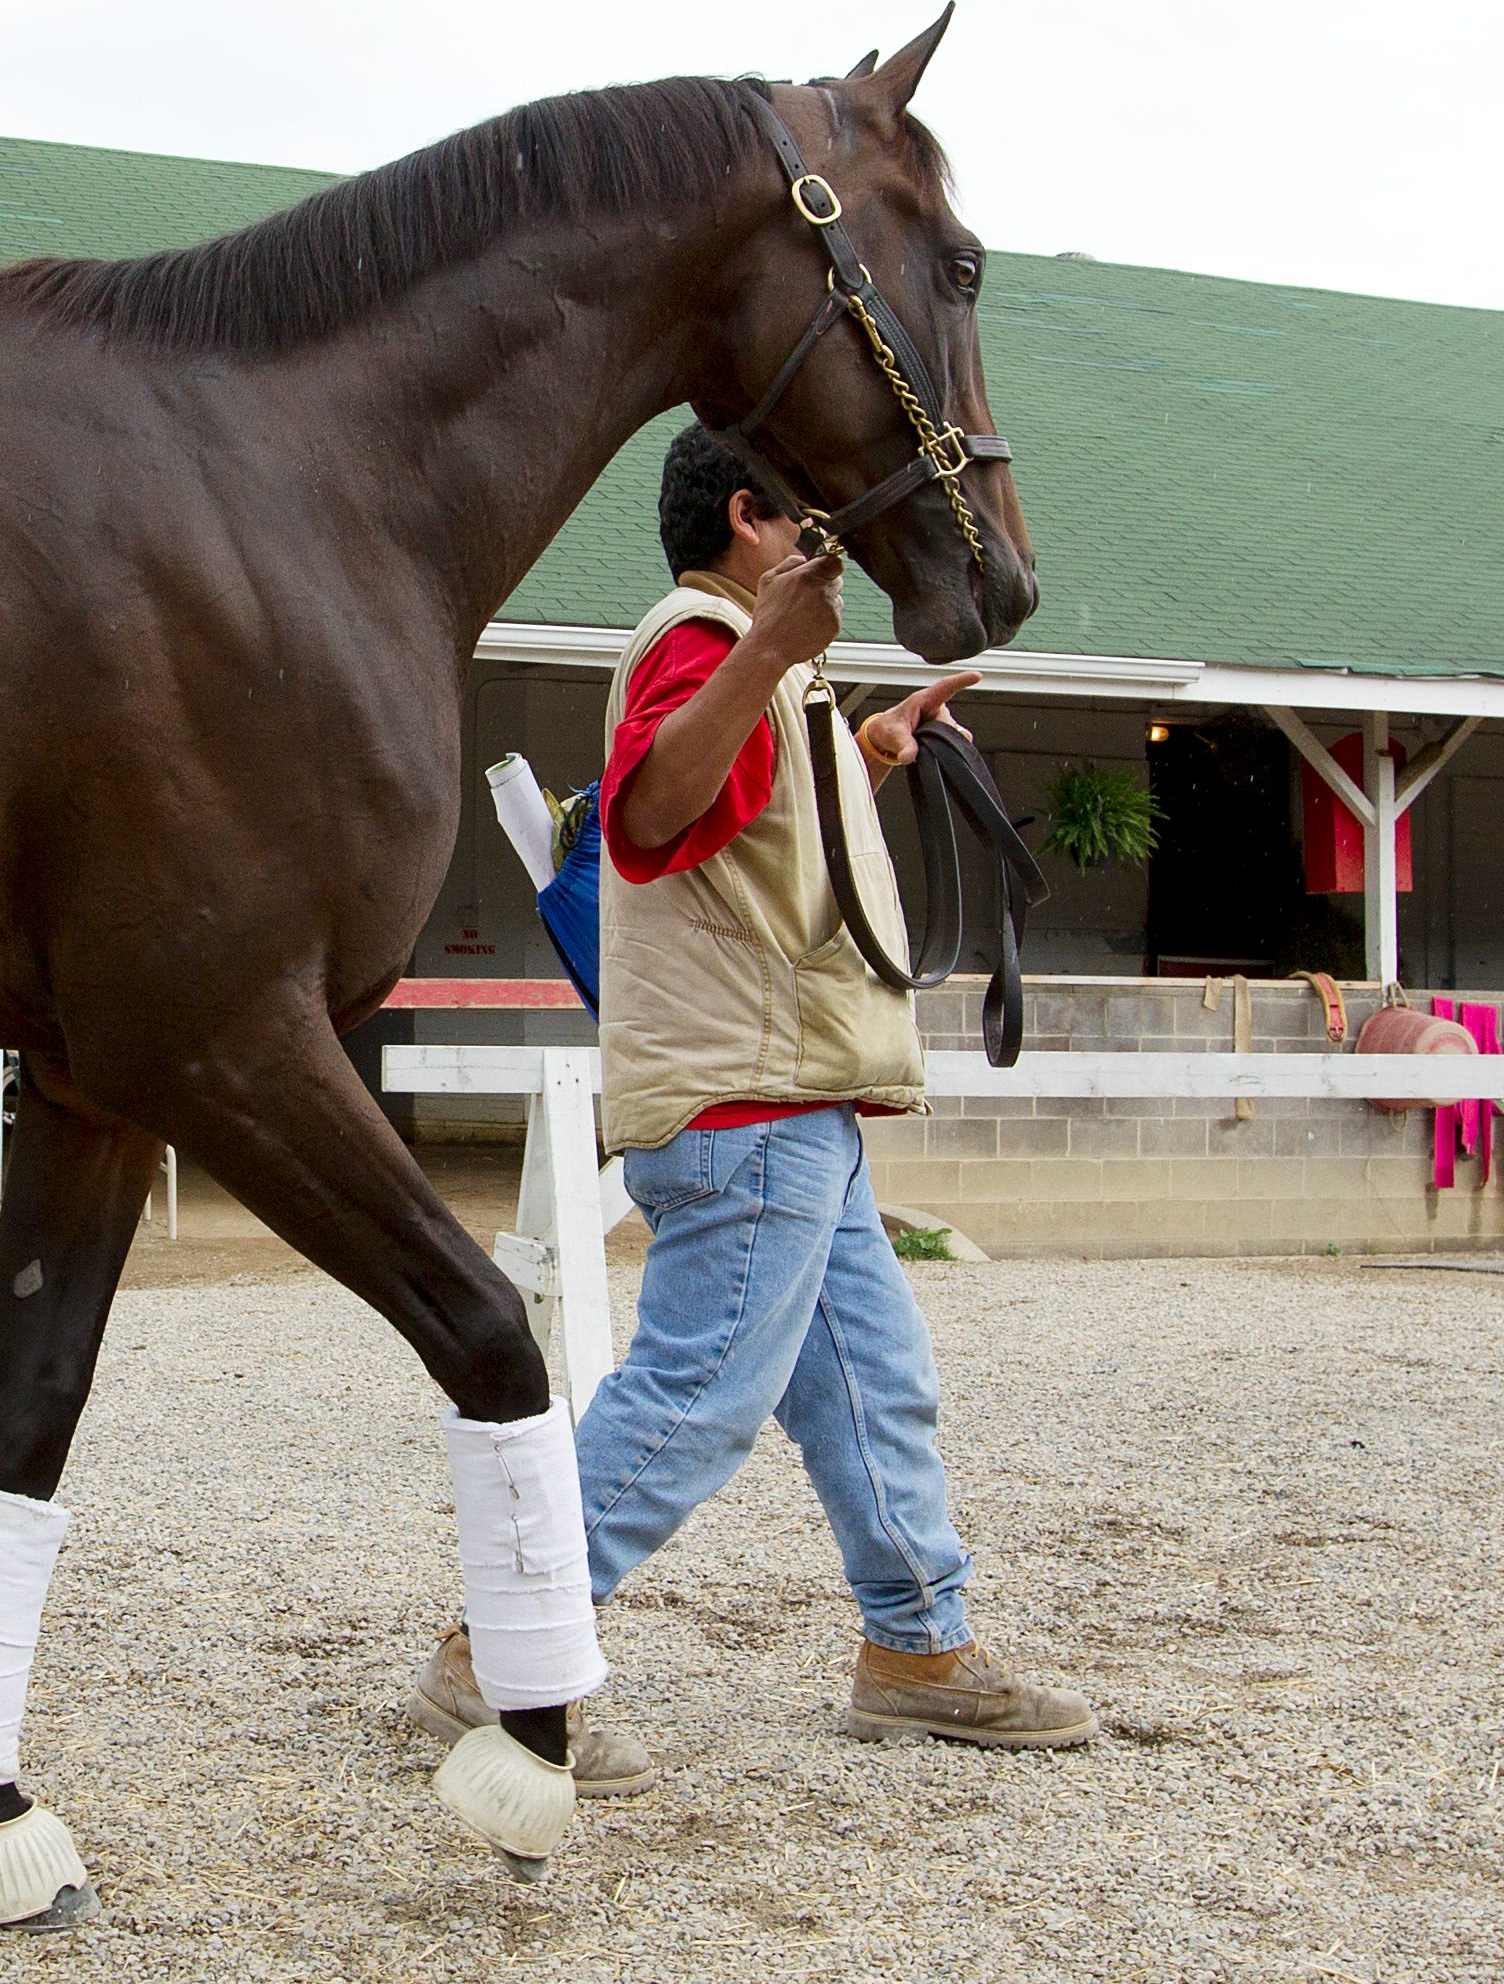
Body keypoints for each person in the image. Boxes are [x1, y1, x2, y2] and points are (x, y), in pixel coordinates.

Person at [406, 428, 1092, 1782]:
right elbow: (652, 815)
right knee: (698, 1394)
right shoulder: (708, 641)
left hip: (789, 1096)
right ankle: (502, 1651)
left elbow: (743, 846)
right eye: (805, 518)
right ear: (747, 518)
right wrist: (774, 650)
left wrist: (873, 749)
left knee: (874, 1385)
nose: (824, 542)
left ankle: (919, 1647)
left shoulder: (746, 657)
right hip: (749, 1099)